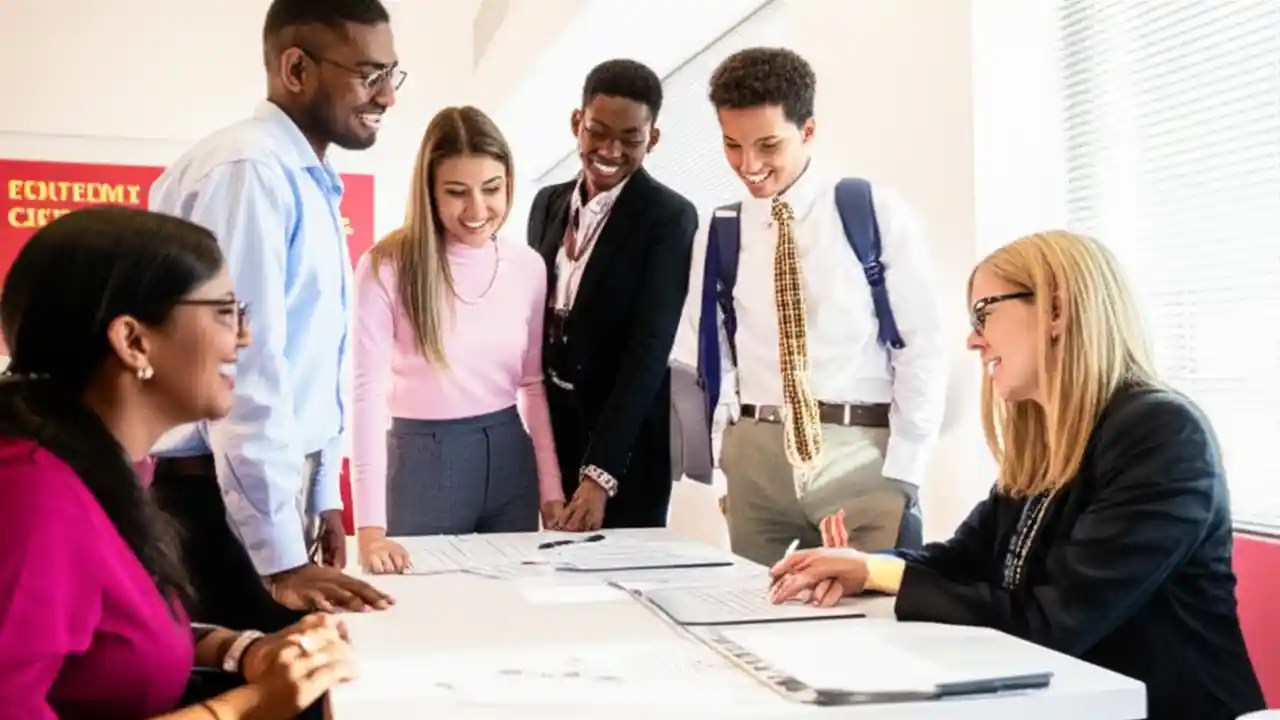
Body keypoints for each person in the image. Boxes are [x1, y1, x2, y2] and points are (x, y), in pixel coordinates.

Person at [769, 230, 1266, 720]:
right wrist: (861, 566)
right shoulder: (1052, 438)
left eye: (984, 313)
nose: (972, 338)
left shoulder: (1162, 433)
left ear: (1055, 310)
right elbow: (965, 560)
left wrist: (882, 574)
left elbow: (1052, 622)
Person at [0, 207, 358, 719]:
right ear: (133, 341)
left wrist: (248, 650)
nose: (244, 337)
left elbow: (111, 642)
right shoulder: (33, 497)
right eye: (225, 312)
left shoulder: (99, 467)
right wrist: (247, 707)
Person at [147, 0, 400, 630]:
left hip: (261, 496)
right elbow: (242, 369)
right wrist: (281, 558)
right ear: (295, 68)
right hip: (218, 505)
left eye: (393, 74)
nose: (388, 97)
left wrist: (321, 497)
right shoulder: (250, 171)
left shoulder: (302, 176)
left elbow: (309, 365)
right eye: (369, 75)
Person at [689, 47, 947, 565]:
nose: (749, 165)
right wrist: (728, 455)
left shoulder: (870, 211)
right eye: (732, 145)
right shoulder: (722, 229)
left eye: (768, 145)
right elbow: (714, 349)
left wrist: (905, 468)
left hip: (860, 455)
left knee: (868, 631)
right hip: (756, 458)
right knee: (754, 621)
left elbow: (923, 344)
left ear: (807, 131)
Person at [352, 106, 563, 574]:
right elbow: (364, 396)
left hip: (510, 458)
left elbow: (531, 384)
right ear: (429, 191)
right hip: (423, 464)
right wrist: (370, 528)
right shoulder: (386, 266)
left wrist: (550, 490)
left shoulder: (527, 265)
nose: (477, 210)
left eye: (491, 189)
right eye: (456, 192)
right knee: (429, 618)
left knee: (512, 615)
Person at [526, 59, 697, 530]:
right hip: (555, 436)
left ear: (653, 139)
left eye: (630, 139)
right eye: (597, 132)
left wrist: (599, 475)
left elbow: (648, 351)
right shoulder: (546, 203)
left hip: (625, 448)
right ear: (576, 123)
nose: (610, 149)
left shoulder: (670, 218)